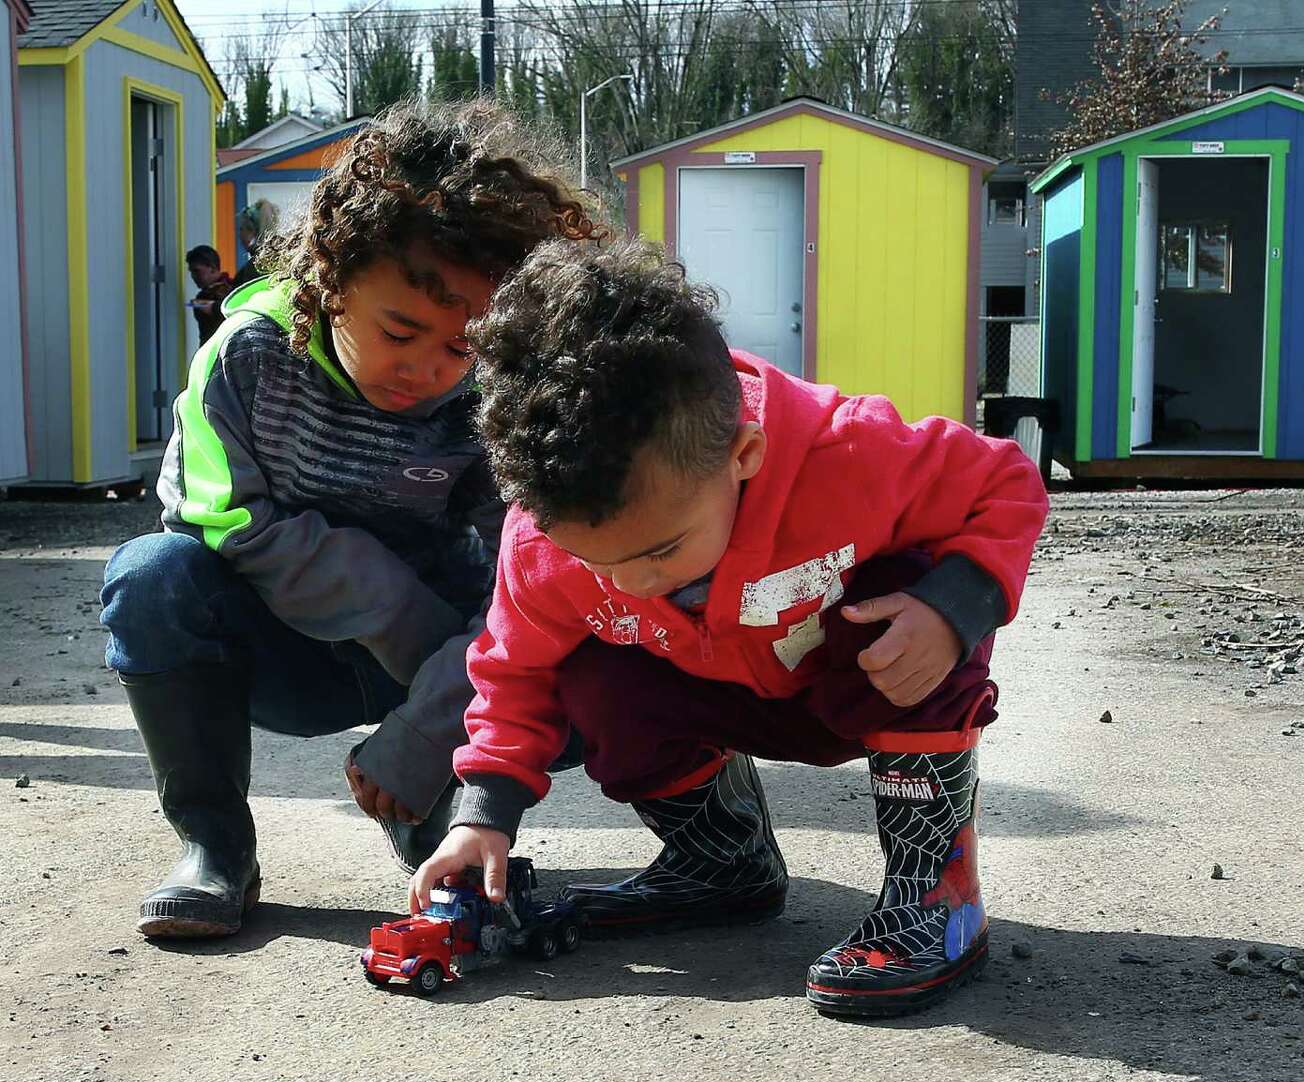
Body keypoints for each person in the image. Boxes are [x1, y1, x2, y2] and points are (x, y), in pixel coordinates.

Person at [410, 238, 1048, 1017]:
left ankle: (938, 896)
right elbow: (516, 671)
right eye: (600, 563)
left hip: (871, 683)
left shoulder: (851, 454)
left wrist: (956, 610)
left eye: (660, 551)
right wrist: (483, 814)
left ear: (744, 454)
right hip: (720, 694)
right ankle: (723, 863)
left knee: (909, 591)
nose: (633, 582)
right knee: (586, 670)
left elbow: (1003, 482)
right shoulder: (542, 543)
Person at [99, 102, 602, 940]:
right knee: (150, 576)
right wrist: (395, 613)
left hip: (438, 654)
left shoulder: (494, 392)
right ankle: (215, 847)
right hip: (286, 655)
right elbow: (221, 521)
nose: (427, 370)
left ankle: (430, 816)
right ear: (330, 276)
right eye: (400, 330)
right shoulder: (249, 353)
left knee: (599, 641)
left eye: (462, 346)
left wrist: (434, 721)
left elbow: (527, 580)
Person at [186, 245, 234, 346]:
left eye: (196, 271)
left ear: (212, 268)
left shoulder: (233, 289)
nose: (193, 277)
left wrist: (214, 308)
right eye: (191, 272)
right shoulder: (203, 296)